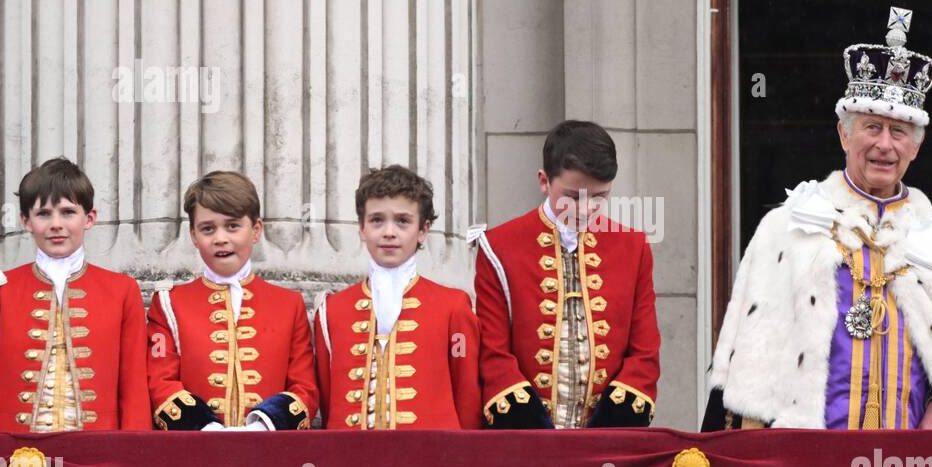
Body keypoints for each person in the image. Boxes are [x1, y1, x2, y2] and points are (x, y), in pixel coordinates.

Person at [703, 7, 932, 431]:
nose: (885, 144)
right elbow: (752, 358)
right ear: (844, 134)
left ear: (915, 147)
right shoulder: (789, 227)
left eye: (898, 132)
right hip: (810, 458)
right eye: (871, 127)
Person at [473, 120, 661, 428]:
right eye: (573, 197)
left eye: (600, 197)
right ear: (544, 181)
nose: (587, 209)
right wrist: (534, 432)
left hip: (607, 437)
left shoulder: (634, 246)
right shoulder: (498, 246)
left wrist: (612, 427)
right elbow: (493, 352)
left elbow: (645, 349)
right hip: (527, 437)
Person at [0, 157, 150, 431]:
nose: (56, 224)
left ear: (90, 218)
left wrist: (133, 459)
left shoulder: (122, 290)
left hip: (101, 457)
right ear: (26, 221)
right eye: (44, 214)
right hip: (16, 460)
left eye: (68, 212)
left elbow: (133, 388)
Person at [146, 171, 319, 430]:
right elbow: (159, 381)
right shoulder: (170, 304)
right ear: (193, 235)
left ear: (256, 230)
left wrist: (261, 426)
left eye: (233, 226)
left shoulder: (288, 304)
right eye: (207, 228)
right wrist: (208, 429)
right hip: (193, 451)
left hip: (268, 449)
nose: (220, 238)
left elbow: (305, 386)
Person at [314, 165, 481, 429]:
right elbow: (328, 396)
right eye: (377, 220)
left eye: (403, 221)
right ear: (361, 228)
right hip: (350, 462)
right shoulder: (331, 311)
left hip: (432, 461)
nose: (389, 232)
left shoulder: (453, 306)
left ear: (423, 230)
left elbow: (467, 399)